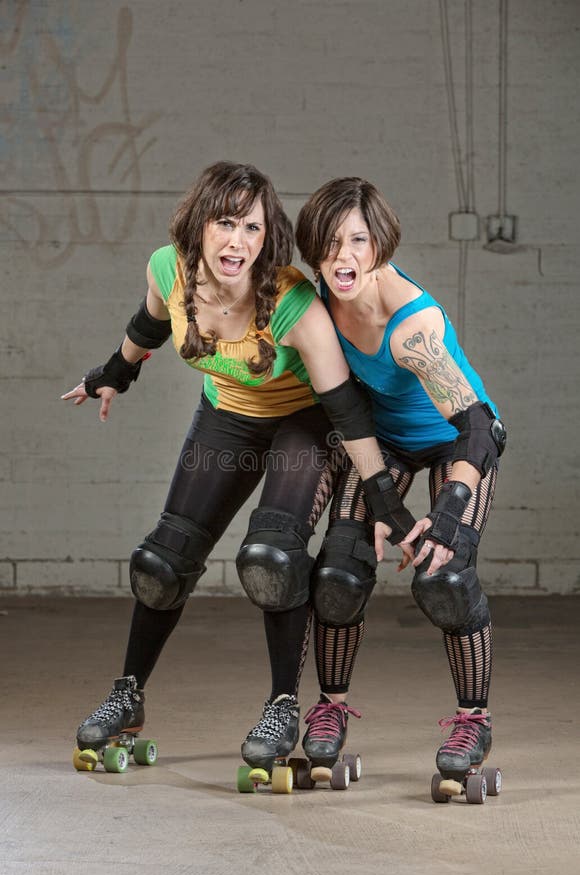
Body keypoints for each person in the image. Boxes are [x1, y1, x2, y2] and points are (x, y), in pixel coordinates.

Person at [62, 161, 396, 776]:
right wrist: (116, 372)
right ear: (200, 225)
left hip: (305, 420)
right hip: (228, 416)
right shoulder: (169, 267)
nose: (237, 242)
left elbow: (347, 411)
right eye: (225, 224)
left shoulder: (295, 302)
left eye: (252, 227)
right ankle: (128, 691)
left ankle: (281, 704)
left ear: (268, 237)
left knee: (272, 558)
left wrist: (385, 499)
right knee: (162, 562)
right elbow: (149, 324)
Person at [295, 176, 507, 791]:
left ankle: (474, 721)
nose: (344, 258)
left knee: (443, 575)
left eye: (358, 241)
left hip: (456, 443)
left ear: (380, 244)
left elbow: (475, 428)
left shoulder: (413, 325)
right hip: (383, 444)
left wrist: (449, 509)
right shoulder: (322, 305)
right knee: (339, 569)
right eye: (331, 243)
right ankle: (330, 707)